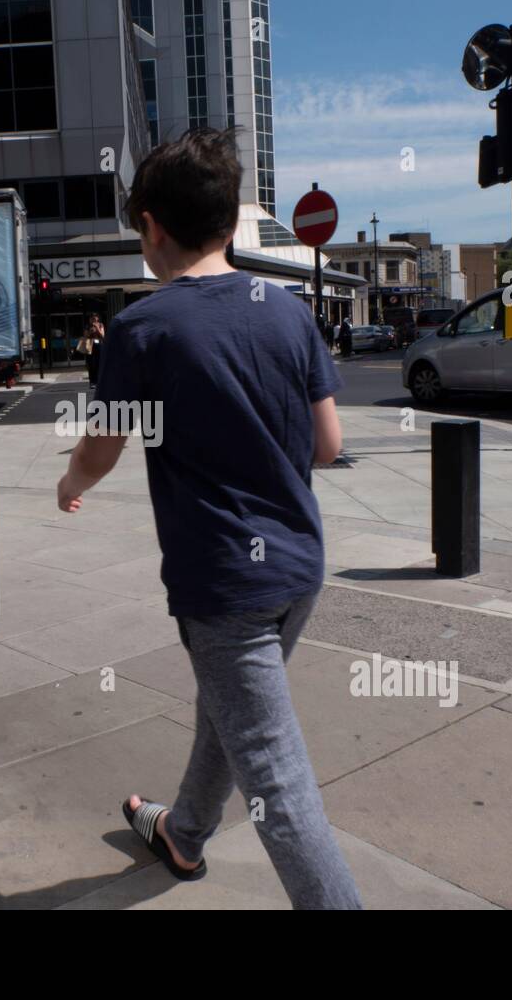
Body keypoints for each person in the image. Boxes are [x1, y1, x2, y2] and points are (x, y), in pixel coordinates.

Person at [54, 128, 362, 910]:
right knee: (226, 711)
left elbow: (104, 448)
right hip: (299, 567)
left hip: (224, 582)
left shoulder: (143, 329)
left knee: (279, 784)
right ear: (230, 221)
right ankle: (185, 831)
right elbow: (329, 445)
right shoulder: (289, 313)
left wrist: (68, 481)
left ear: (153, 226)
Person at [83, 313, 105, 386]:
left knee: (99, 363)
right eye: (92, 318)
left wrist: (97, 328)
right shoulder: (87, 326)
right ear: (90, 319)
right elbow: (85, 336)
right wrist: (90, 331)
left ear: (97, 318)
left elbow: (102, 335)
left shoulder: (100, 325)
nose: (94, 319)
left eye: (95, 318)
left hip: (99, 345)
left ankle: (99, 381)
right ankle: (92, 381)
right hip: (90, 345)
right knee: (91, 364)